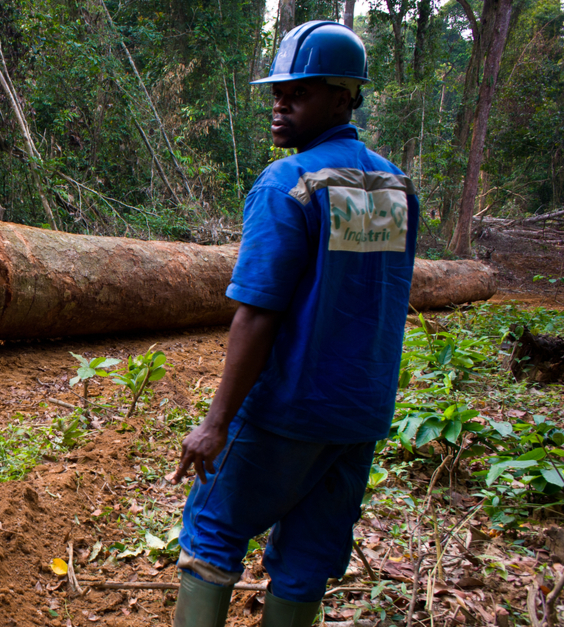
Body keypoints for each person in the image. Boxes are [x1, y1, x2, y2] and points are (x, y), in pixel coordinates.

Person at [168, 21, 419, 627]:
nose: (280, 104)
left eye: (298, 93)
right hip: (360, 411)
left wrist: (215, 423)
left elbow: (257, 311)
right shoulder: (396, 186)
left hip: (290, 407)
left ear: (343, 97)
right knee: (308, 554)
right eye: (278, 92)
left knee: (211, 532)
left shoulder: (290, 183)